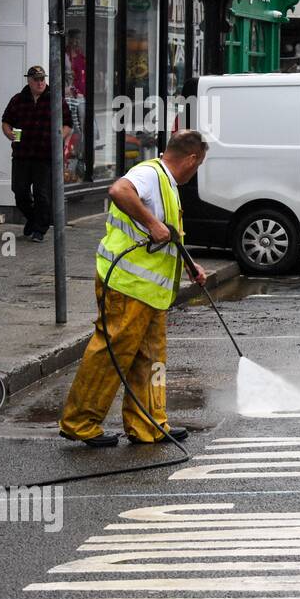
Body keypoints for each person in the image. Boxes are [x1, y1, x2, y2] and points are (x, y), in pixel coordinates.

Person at [59, 130, 210, 448]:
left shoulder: (166, 182)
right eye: (198, 166)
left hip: (150, 293)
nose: (196, 173)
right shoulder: (148, 174)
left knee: (152, 359)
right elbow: (118, 190)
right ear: (192, 158)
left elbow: (170, 234)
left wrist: (189, 265)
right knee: (111, 353)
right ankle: (80, 422)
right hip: (127, 286)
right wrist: (152, 224)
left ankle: (149, 424)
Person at [0, 66, 72, 241]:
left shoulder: (55, 99)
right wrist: (8, 133)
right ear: (29, 81)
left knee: (42, 194)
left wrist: (58, 138)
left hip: (45, 155)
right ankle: (32, 219)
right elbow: (6, 121)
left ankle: (40, 229)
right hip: (22, 154)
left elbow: (68, 124)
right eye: (36, 80)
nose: (40, 83)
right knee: (19, 191)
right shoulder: (18, 100)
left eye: (42, 79)